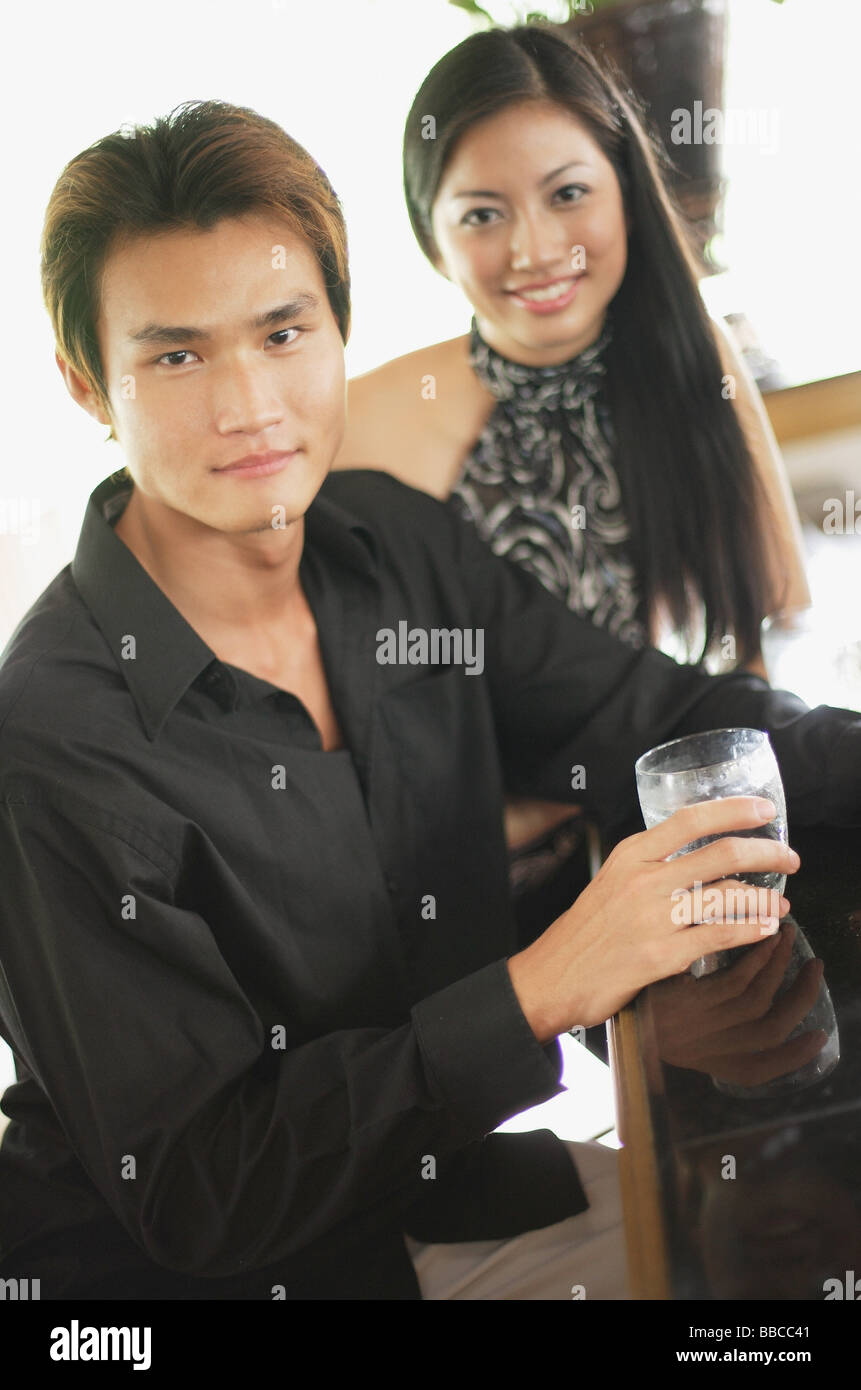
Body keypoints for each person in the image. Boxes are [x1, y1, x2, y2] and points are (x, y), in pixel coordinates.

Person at [0, 99, 857, 1303]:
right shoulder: (51, 733)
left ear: (341, 331)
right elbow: (204, 1185)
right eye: (177, 354)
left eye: (284, 331)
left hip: (435, 1200)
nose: (249, 404)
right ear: (91, 379)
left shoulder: (392, 550)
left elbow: (648, 714)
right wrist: (556, 980)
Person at [333, 25, 812, 947]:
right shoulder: (366, 420)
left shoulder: (697, 363)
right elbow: (354, 743)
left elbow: (760, 638)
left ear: (625, 190)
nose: (535, 248)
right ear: (430, 236)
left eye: (568, 194)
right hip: (444, 906)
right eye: (482, 213)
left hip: (663, 851)